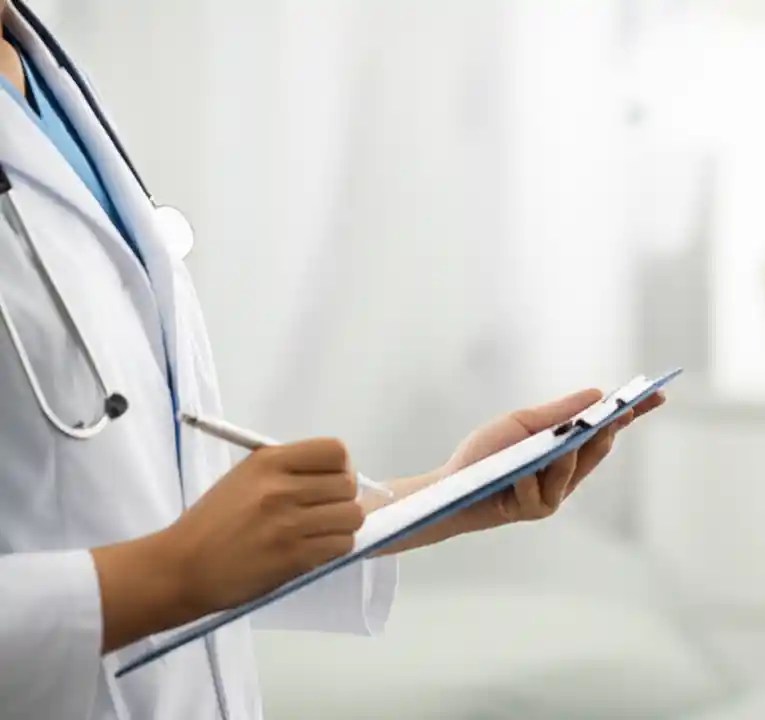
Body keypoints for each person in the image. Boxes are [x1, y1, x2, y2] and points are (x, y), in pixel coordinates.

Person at [0, 1, 664, 718]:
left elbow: (137, 483)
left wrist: (446, 494)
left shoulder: (44, 72)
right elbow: (175, 555)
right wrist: (175, 572)